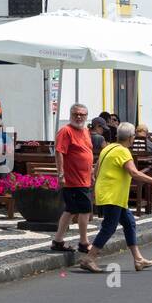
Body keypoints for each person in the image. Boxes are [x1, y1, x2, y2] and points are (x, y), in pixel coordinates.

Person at [77, 121, 152, 274]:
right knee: (109, 227)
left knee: (129, 223)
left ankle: (138, 259)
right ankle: (90, 258)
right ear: (131, 138)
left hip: (111, 194)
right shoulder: (123, 151)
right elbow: (134, 172)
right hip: (113, 195)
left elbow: (95, 170)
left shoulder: (109, 148)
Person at [50, 104, 93, 254]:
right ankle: (83, 242)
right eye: (76, 114)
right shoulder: (66, 131)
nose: (79, 117)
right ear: (70, 115)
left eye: (82, 114)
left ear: (86, 116)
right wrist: (60, 174)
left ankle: (58, 241)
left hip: (84, 178)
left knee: (71, 210)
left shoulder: (85, 131)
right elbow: (59, 152)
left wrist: (91, 171)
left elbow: (86, 152)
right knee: (85, 209)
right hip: (73, 179)